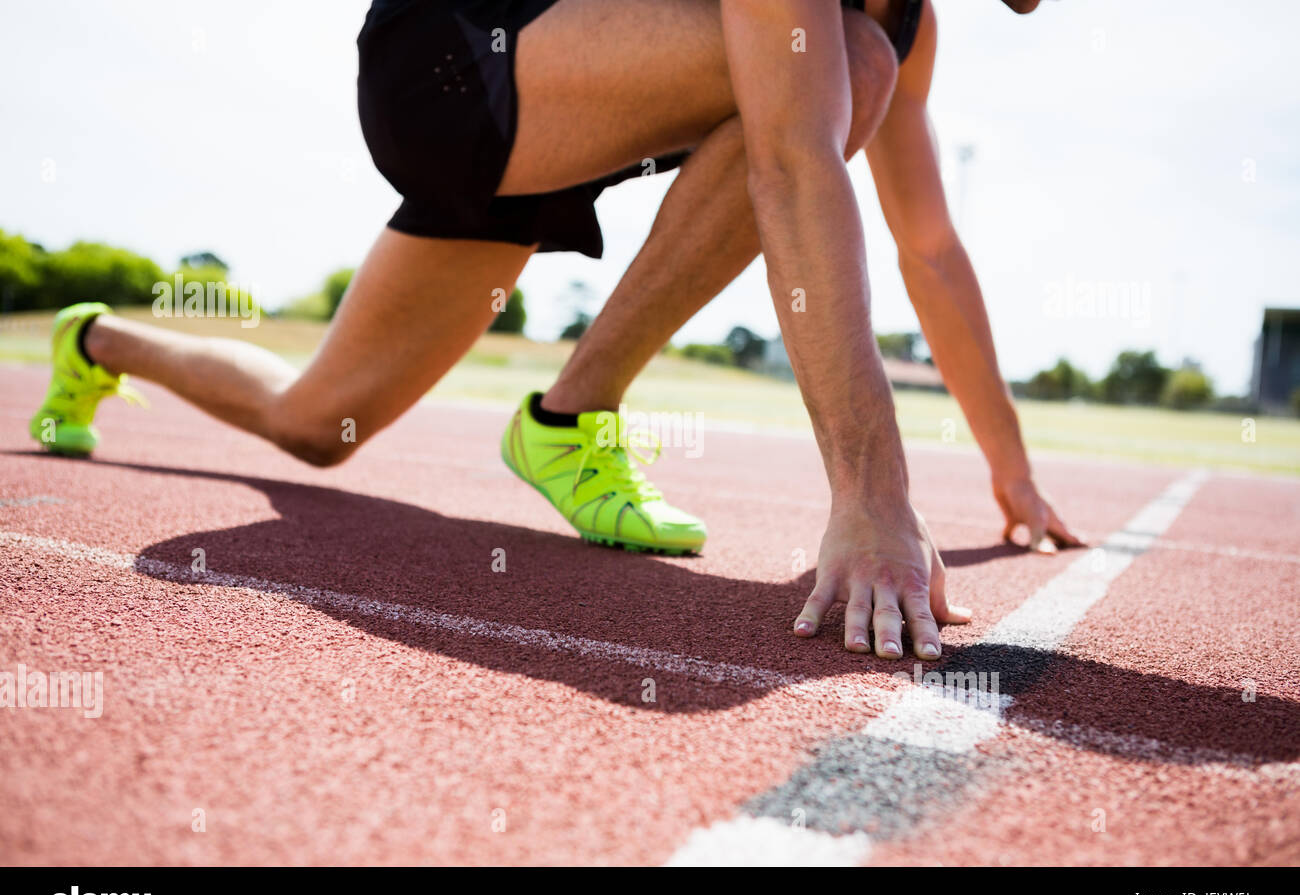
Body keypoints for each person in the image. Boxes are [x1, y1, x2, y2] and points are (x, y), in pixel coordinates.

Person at [31, 0, 1070, 665]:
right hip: (455, 56)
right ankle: (571, 412)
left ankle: (96, 343)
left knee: (316, 423)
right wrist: (874, 496)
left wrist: (1009, 467)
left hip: (558, 124)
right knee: (832, 68)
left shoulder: (908, 23)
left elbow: (928, 246)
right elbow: (793, 160)